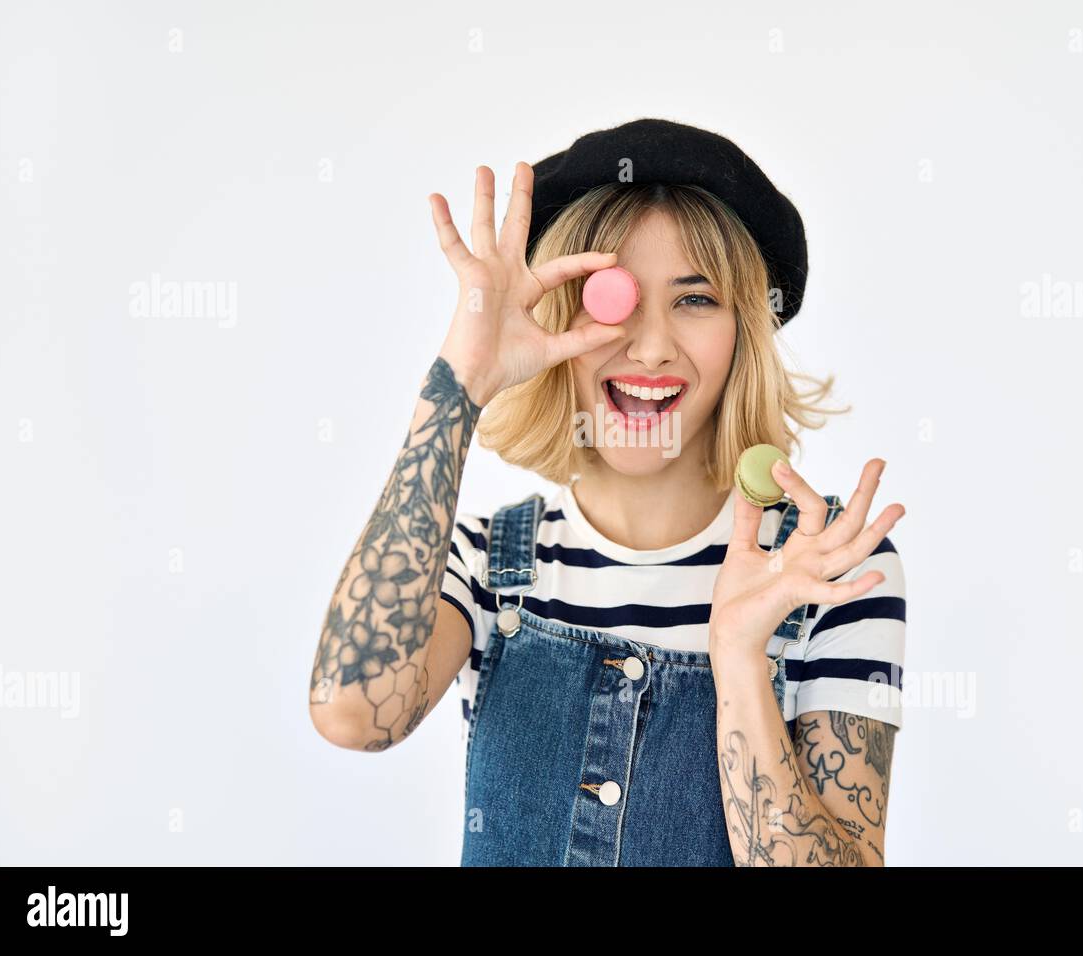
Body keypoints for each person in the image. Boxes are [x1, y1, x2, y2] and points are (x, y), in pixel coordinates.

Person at [308, 119, 907, 867]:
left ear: (745, 332)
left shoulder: (830, 568)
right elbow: (350, 712)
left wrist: (741, 658)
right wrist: (460, 382)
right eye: (611, 296)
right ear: (552, 317)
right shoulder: (487, 565)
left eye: (696, 299)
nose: (652, 346)